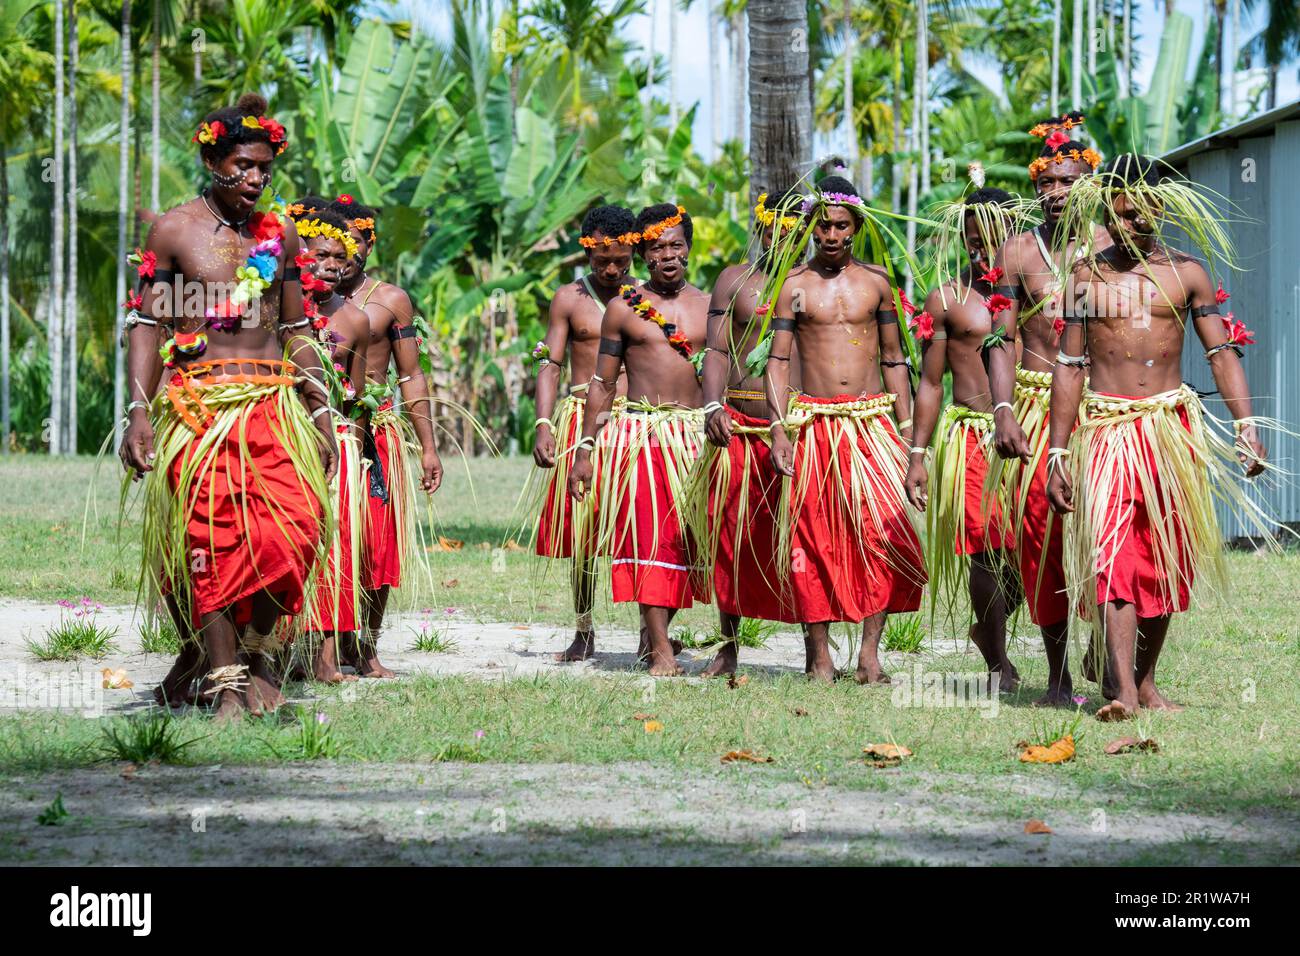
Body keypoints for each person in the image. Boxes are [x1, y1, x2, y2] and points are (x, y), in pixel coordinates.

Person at [119, 93, 333, 720]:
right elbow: (145, 323)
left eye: (265, 168)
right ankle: (225, 681)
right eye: (243, 165)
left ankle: (256, 657)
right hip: (200, 409)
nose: (256, 179)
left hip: (273, 403)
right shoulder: (174, 230)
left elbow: (297, 331)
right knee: (209, 541)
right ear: (213, 160)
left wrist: (319, 411)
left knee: (293, 532)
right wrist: (138, 410)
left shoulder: (280, 234)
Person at [1045, 153, 1275, 720]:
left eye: (1146, 214)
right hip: (1107, 431)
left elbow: (1220, 353)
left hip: (1171, 430)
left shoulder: (1187, 273)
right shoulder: (1085, 277)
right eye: (1124, 215)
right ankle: (1122, 689)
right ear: (1107, 212)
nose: (1135, 225)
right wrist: (1056, 450)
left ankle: (1145, 682)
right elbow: (1070, 366)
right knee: (1116, 556)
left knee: (1165, 558)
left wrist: (1245, 424)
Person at [765, 177, 927, 683]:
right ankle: (819, 655)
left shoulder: (878, 283)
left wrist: (905, 432)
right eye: (822, 226)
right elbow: (777, 360)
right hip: (813, 425)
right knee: (811, 537)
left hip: (870, 423)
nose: (830, 235)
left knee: (880, 531)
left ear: (856, 226)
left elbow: (896, 359)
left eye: (840, 226)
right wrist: (778, 426)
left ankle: (869, 655)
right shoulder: (793, 286)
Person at [986, 113, 1105, 705]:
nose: (1054, 194)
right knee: (1043, 537)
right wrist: (1004, 408)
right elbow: (1002, 337)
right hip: (1035, 408)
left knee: (1105, 533)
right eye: (1044, 185)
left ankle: (1108, 648)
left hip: (1103, 414)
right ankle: (1056, 676)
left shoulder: (1114, 247)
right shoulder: (1016, 253)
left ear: (1089, 182)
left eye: (1065, 182)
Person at [568, 203, 710, 676]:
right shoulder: (622, 310)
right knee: (648, 540)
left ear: (688, 249)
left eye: (675, 245)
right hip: (642, 434)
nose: (667, 255)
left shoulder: (711, 308)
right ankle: (663, 653)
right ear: (643, 253)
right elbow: (603, 383)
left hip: (694, 437)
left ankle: (656, 638)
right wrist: (585, 447)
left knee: (683, 543)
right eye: (656, 247)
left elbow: (725, 373)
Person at [905, 187, 1021, 690]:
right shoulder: (947, 300)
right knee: (986, 550)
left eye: (991, 239)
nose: (981, 251)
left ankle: (990, 629)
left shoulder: (1041, 291)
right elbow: (931, 383)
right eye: (972, 241)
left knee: (1040, 548)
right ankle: (997, 660)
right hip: (973, 438)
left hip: (1031, 431)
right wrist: (918, 453)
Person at [331, 195, 443, 678]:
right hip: (316, 430)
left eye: (355, 243)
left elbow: (410, 375)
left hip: (377, 434)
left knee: (377, 541)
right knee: (328, 537)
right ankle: (318, 647)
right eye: (335, 245)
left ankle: (367, 647)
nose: (346, 254)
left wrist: (429, 446)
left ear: (370, 245)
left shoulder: (391, 300)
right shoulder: (299, 295)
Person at [692, 190, 801, 677]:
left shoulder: (813, 286)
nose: (784, 235)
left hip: (801, 426)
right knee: (730, 534)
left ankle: (815, 650)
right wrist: (713, 403)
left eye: (795, 226)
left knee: (803, 535)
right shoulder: (736, 282)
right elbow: (716, 352)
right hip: (740, 424)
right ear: (761, 229)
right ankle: (729, 644)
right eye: (775, 225)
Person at [531, 204, 636, 662]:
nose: (611, 269)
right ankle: (584, 631)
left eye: (619, 260)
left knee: (640, 530)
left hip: (637, 421)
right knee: (583, 537)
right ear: (587, 252)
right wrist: (543, 423)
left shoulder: (646, 294)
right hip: (581, 421)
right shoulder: (569, 299)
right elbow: (550, 365)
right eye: (601, 261)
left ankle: (651, 636)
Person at [290, 204, 371, 683]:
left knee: (334, 544)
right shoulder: (275, 308)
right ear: (301, 255)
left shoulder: (355, 321)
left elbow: (355, 397)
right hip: (286, 430)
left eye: (341, 258)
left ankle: (324, 656)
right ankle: (274, 649)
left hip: (334, 440)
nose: (332, 265)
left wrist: (355, 460)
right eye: (321, 254)